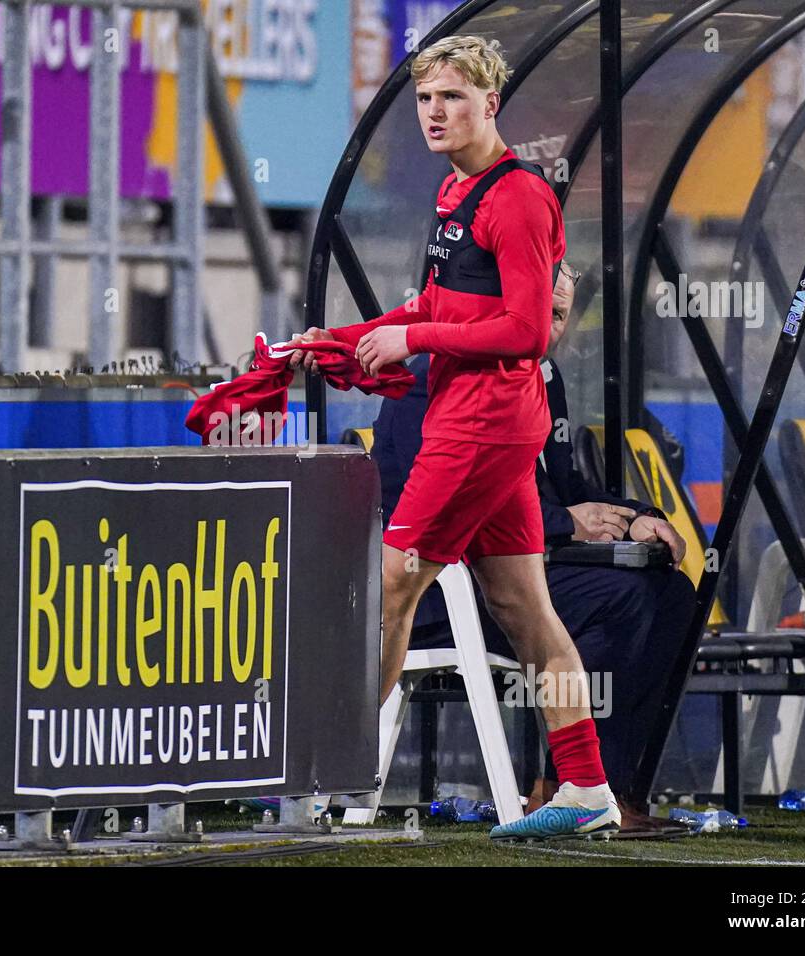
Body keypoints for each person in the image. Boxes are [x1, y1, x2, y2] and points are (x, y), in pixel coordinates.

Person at [288, 36, 618, 840]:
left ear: (491, 105)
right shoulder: (455, 192)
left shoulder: (518, 197)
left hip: (482, 426)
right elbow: (431, 307)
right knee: (524, 608)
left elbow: (527, 331)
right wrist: (340, 338)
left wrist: (417, 341)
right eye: (426, 99)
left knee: (393, 587)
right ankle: (587, 788)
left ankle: (320, 776)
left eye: (453, 99)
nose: (435, 113)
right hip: (482, 424)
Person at [375, 263, 696, 835]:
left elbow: (563, 491)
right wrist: (563, 523)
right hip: (444, 589)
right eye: (537, 312)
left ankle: (604, 788)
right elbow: (448, 501)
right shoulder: (431, 378)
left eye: (558, 316)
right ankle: (564, 785)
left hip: (523, 572)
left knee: (671, 595)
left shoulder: (541, 377)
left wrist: (637, 518)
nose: (547, 330)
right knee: (622, 601)